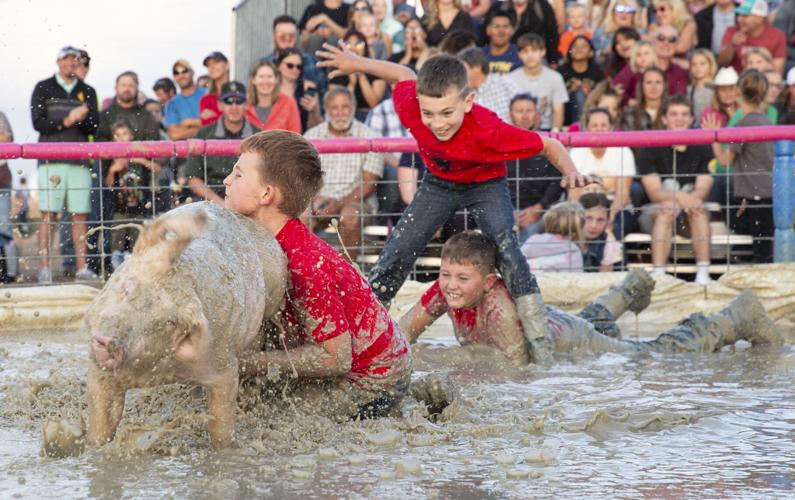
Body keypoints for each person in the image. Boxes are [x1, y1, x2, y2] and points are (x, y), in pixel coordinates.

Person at [316, 45, 594, 364]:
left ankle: (539, 341)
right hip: (439, 184)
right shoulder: (408, 105)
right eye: (429, 114)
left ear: (468, 102)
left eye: (448, 113)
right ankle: (366, 331)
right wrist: (358, 63)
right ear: (418, 103)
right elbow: (405, 74)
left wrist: (571, 171)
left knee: (507, 249)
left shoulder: (489, 129)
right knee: (399, 248)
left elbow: (549, 144)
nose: (438, 123)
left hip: (485, 185)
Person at [227, 130, 411, 420]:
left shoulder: (304, 263)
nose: (226, 181)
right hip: (371, 356)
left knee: (260, 417)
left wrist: (246, 363)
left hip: (375, 382)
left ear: (266, 194)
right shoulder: (269, 244)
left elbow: (335, 358)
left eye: (237, 174)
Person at [399, 231, 779, 366]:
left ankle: (734, 317)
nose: (449, 285)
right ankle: (628, 290)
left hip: (569, 338)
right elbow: (403, 334)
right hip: (558, 324)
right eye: (445, 274)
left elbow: (516, 371)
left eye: (462, 278)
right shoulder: (445, 291)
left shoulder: (499, 311)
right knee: (594, 323)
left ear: (488, 282)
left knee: (648, 353)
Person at [30, 46, 100, 283]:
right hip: (51, 162)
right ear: (58, 61)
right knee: (48, 215)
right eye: (67, 59)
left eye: (75, 60)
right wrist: (69, 119)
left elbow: (94, 125)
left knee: (79, 216)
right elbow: (38, 122)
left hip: (79, 162)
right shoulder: (43, 87)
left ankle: (82, 268)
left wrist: (83, 119)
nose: (71, 63)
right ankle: (44, 268)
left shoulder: (88, 91)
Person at [636, 95, 714, 284]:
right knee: (666, 210)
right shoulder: (650, 146)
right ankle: (660, 275)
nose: (679, 118)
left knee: (698, 209)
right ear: (664, 118)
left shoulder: (702, 147)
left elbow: (703, 188)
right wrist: (680, 197)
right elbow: (654, 193)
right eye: (674, 114)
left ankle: (703, 275)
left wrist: (688, 201)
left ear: (691, 119)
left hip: (689, 214)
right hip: (655, 212)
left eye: (684, 114)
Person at [303, 86, 384, 261]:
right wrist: (315, 200)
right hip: (319, 200)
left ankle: (348, 274)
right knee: (302, 216)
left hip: (356, 202)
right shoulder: (312, 136)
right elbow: (304, 177)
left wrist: (338, 203)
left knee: (350, 216)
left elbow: (369, 184)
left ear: (354, 107)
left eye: (345, 107)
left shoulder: (369, 136)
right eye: (335, 107)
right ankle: (307, 274)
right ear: (327, 110)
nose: (340, 113)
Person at [706, 70, 775, 263]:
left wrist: (714, 136)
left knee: (763, 254)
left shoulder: (743, 126)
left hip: (759, 197)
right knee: (765, 248)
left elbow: (724, 160)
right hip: (767, 194)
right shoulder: (767, 122)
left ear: (737, 92)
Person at [184, 81, 255, 206]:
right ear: (220, 105)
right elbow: (193, 177)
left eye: (239, 101)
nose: (234, 106)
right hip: (210, 202)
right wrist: (220, 203)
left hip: (249, 202)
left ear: (246, 105)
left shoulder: (259, 136)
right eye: (228, 101)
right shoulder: (204, 134)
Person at [103, 119, 161, 269]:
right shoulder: (111, 158)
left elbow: (157, 168)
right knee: (117, 239)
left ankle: (136, 265)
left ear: (131, 136)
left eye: (125, 134)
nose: (122, 138)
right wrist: (113, 170)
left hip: (140, 207)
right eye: (117, 135)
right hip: (119, 208)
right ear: (112, 139)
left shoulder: (140, 154)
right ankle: (116, 266)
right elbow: (108, 184)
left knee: (138, 238)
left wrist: (141, 160)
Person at [506, 94, 564, 242]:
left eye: (529, 110)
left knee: (531, 234)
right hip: (506, 208)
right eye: (519, 111)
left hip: (543, 209)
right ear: (510, 115)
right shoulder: (501, 144)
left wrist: (539, 208)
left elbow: (557, 182)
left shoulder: (550, 143)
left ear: (538, 114)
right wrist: (506, 211)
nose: (524, 115)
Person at [569, 107, 636, 235]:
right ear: (587, 128)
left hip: (616, 208)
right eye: (594, 125)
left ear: (611, 128)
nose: (599, 129)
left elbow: (623, 194)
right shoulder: (576, 152)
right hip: (583, 207)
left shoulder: (623, 151)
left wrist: (608, 216)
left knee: (615, 228)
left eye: (604, 125)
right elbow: (573, 194)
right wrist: (588, 216)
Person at [508, 33, 569, 130]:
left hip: (546, 130)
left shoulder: (555, 78)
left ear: (543, 51)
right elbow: (507, 112)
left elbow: (558, 111)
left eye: (534, 50)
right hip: (517, 131)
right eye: (525, 51)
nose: (530, 55)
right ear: (519, 54)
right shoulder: (510, 79)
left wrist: (554, 133)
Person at [329, 31, 388, 121]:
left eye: (358, 44)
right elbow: (337, 105)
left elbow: (374, 104)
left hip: (370, 116)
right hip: (343, 117)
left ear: (365, 48)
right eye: (348, 44)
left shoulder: (376, 70)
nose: (353, 48)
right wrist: (352, 84)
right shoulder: (336, 72)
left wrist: (361, 76)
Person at [264, 15, 327, 99]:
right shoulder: (264, 65)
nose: (287, 38)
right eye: (282, 36)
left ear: (297, 36)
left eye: (291, 35)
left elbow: (322, 96)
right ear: (274, 36)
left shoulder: (311, 62)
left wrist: (312, 100)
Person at [718, 0, 787, 75]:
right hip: (736, 81)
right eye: (739, 15)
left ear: (759, 18)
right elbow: (721, 63)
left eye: (745, 16)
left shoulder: (777, 35)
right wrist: (732, 45)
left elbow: (777, 70)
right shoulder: (732, 31)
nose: (739, 19)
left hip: (764, 81)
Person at [487, 0, 561, 67]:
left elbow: (552, 34)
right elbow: (486, 34)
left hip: (535, 56)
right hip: (504, 56)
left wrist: (553, 61)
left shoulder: (542, 6)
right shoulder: (499, 7)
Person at [521, 201, 585, 272]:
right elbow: (576, 279)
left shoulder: (534, 239)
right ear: (579, 228)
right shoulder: (574, 250)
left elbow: (518, 260)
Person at [458, 47, 520, 121]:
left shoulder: (505, 83)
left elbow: (524, 110)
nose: (459, 74)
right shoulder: (462, 93)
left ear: (477, 67)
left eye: (463, 69)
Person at [558, 35, 604, 125]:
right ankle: (578, 127)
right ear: (570, 51)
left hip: (591, 109)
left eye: (583, 46)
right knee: (578, 94)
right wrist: (570, 90)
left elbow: (602, 96)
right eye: (575, 46)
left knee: (581, 95)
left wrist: (590, 94)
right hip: (566, 111)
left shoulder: (597, 71)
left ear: (591, 52)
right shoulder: (562, 71)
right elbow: (556, 97)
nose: (579, 49)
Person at [245, 61, 301, 133]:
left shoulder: (288, 103)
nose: (265, 81)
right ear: (253, 80)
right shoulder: (242, 104)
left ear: (276, 80)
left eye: (270, 77)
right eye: (261, 77)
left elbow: (296, 135)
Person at [276, 48, 324, 132]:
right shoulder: (270, 88)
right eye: (290, 65)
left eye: (299, 67)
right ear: (279, 66)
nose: (295, 69)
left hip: (301, 137)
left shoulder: (309, 89)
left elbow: (317, 126)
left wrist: (314, 111)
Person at [164, 59, 207, 140]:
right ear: (174, 77)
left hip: (211, 150)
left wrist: (188, 123)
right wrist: (202, 127)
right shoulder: (172, 104)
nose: (181, 75)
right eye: (176, 73)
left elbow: (217, 124)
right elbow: (175, 134)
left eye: (184, 71)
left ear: (192, 72)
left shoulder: (207, 95)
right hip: (186, 152)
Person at [579, 192, 623, 272]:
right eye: (588, 218)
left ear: (607, 221)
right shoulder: (564, 239)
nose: (593, 225)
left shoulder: (608, 243)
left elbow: (604, 278)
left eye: (600, 220)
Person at [646, 0, 696, 68]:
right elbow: (648, 45)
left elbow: (681, 47)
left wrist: (659, 43)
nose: (658, 14)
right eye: (655, 11)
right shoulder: (655, 26)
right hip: (659, 65)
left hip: (683, 65)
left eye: (662, 9)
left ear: (675, 9)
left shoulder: (687, 24)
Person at [621, 67, 667, 131]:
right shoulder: (629, 114)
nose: (654, 87)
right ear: (641, 86)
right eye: (649, 82)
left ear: (664, 85)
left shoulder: (672, 112)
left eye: (658, 82)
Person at [613, 41, 658, 105]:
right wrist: (628, 100)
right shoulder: (630, 71)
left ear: (654, 55)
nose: (642, 57)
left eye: (646, 53)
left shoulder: (659, 72)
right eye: (638, 55)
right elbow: (617, 86)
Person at [481, 10, 522, 75]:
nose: (501, 31)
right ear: (488, 30)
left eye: (505, 26)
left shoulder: (521, 55)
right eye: (496, 26)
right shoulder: (479, 55)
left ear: (512, 30)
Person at [0, 111, 15, 283]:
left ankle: (9, 273)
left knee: (4, 228)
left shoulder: (1, 116)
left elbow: (7, 139)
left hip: (1, 178)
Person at [198, 51, 230, 126]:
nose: (212, 67)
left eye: (216, 62)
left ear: (227, 65)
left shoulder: (239, 92)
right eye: (209, 65)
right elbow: (206, 125)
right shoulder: (206, 100)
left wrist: (215, 116)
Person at [688, 49, 717, 120]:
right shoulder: (690, 89)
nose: (698, 68)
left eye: (702, 64)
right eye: (694, 64)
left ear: (711, 65)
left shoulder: (716, 88)